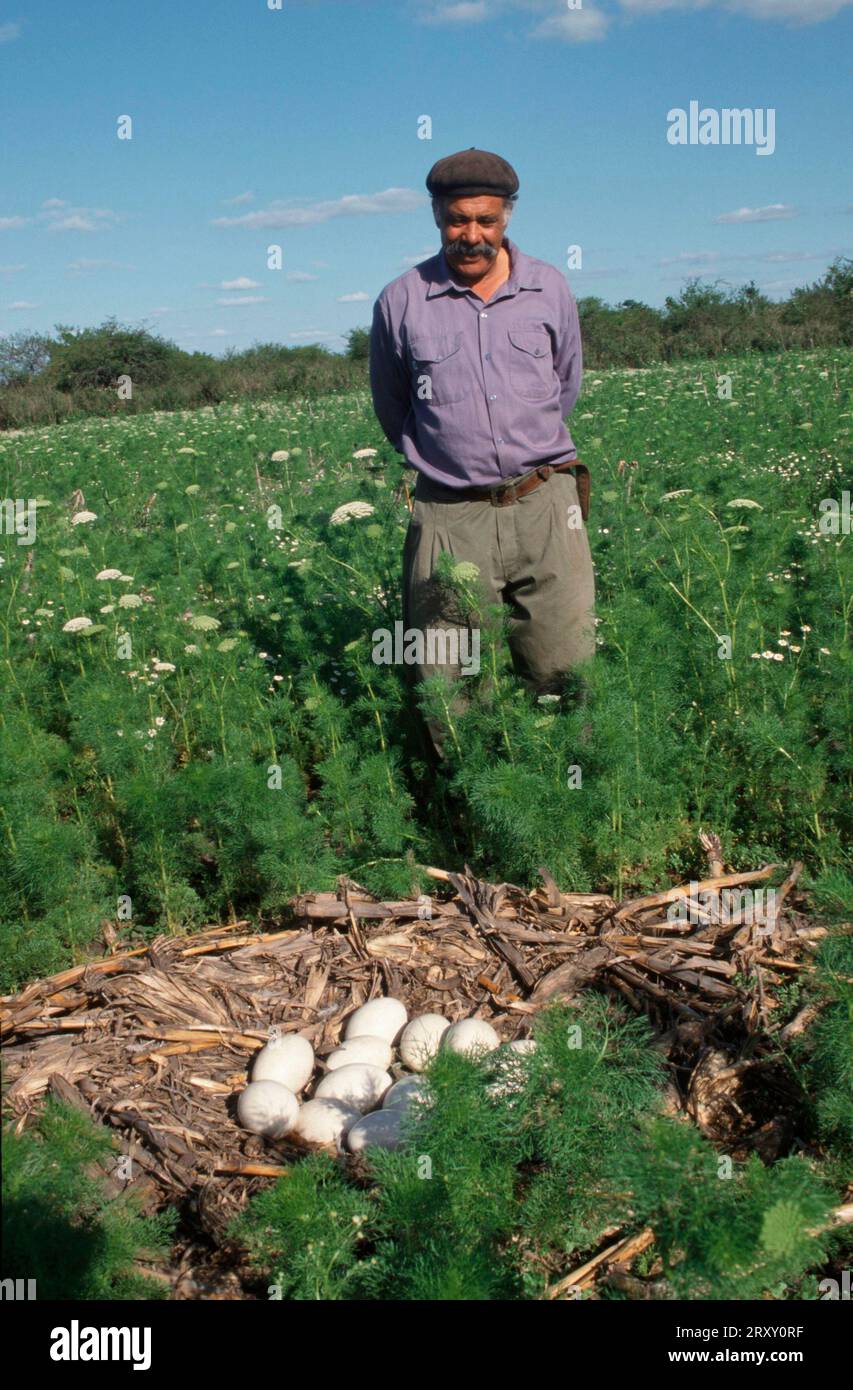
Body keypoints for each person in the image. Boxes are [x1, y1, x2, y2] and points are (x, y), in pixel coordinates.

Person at [369, 146, 595, 761]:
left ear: (508, 217)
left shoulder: (549, 288)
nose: (471, 235)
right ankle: (471, 809)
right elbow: (394, 408)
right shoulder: (401, 301)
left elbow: (564, 384)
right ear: (437, 215)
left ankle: (561, 794)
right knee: (446, 682)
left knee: (562, 665)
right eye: (456, 220)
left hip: (544, 500)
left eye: (486, 221)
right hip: (448, 514)